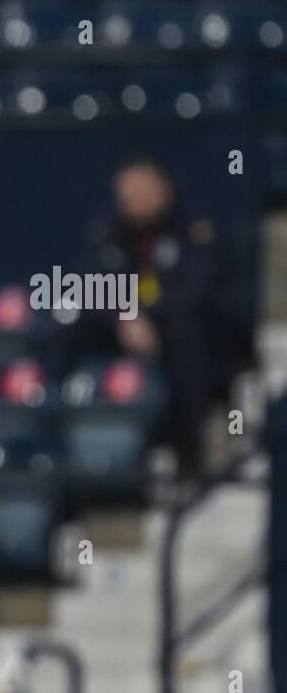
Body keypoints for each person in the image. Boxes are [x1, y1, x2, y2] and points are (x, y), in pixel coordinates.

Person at [75, 155, 247, 475]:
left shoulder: (196, 227)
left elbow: (197, 291)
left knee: (185, 336)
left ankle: (190, 454)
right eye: (127, 195)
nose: (134, 202)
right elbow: (89, 284)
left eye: (143, 192)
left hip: (202, 337)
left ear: (164, 188)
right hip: (131, 333)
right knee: (79, 333)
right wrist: (124, 315)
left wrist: (148, 317)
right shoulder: (107, 231)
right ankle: (93, 460)